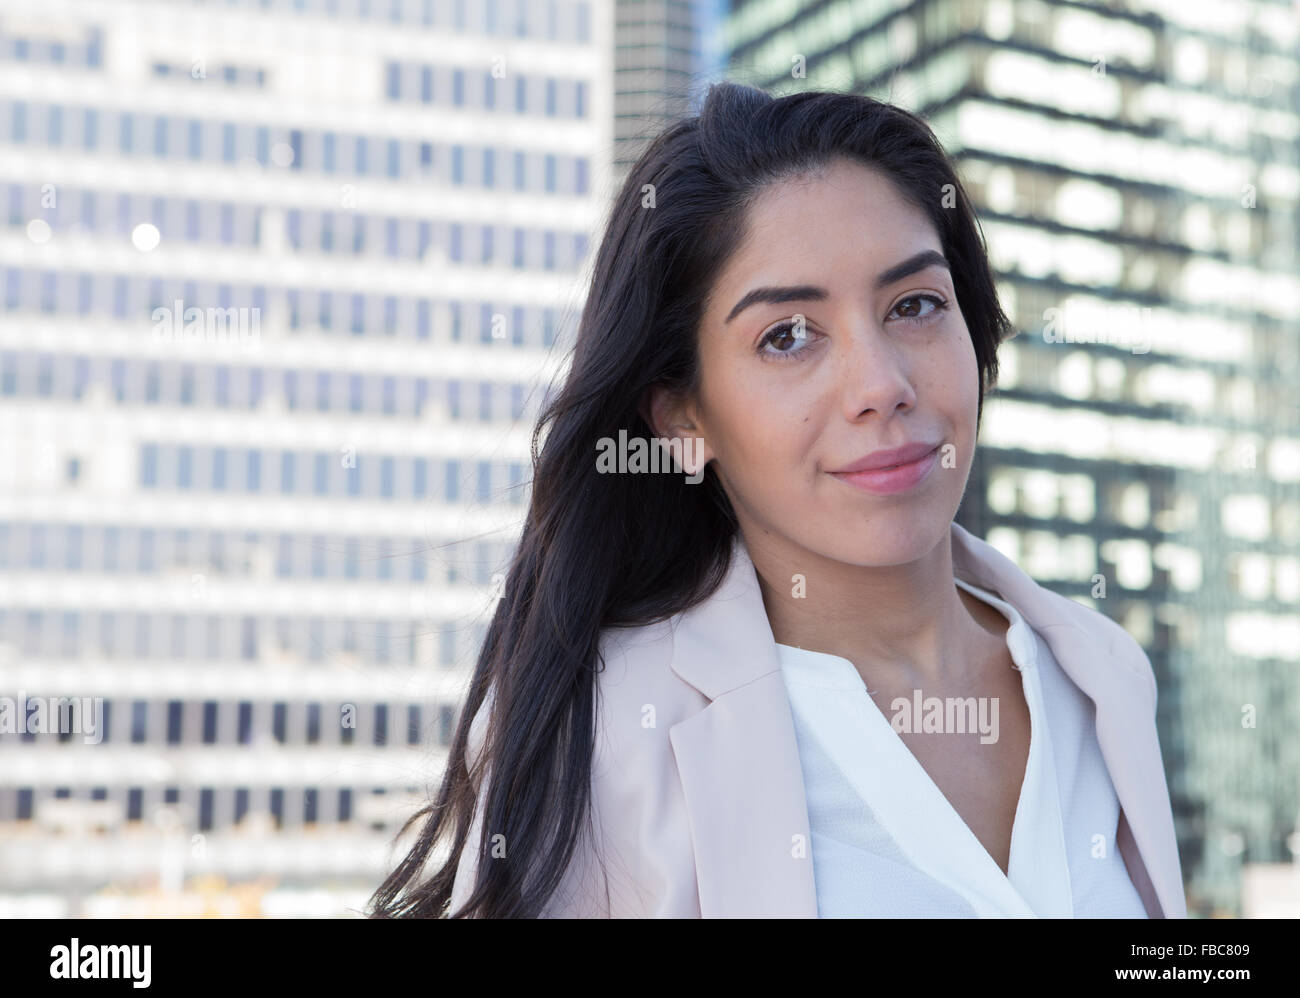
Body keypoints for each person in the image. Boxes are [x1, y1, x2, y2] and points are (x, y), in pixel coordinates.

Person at [367, 81, 1186, 919]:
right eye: (786, 336)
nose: (880, 385)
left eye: (914, 305)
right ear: (685, 419)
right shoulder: (611, 732)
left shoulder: (1098, 675)